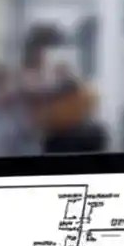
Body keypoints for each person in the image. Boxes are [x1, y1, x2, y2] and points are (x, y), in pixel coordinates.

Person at [19, 24, 107, 153]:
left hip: (70, 132)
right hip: (45, 137)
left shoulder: (63, 73)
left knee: (95, 133)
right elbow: (33, 93)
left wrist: (68, 82)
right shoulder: (28, 75)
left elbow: (88, 98)